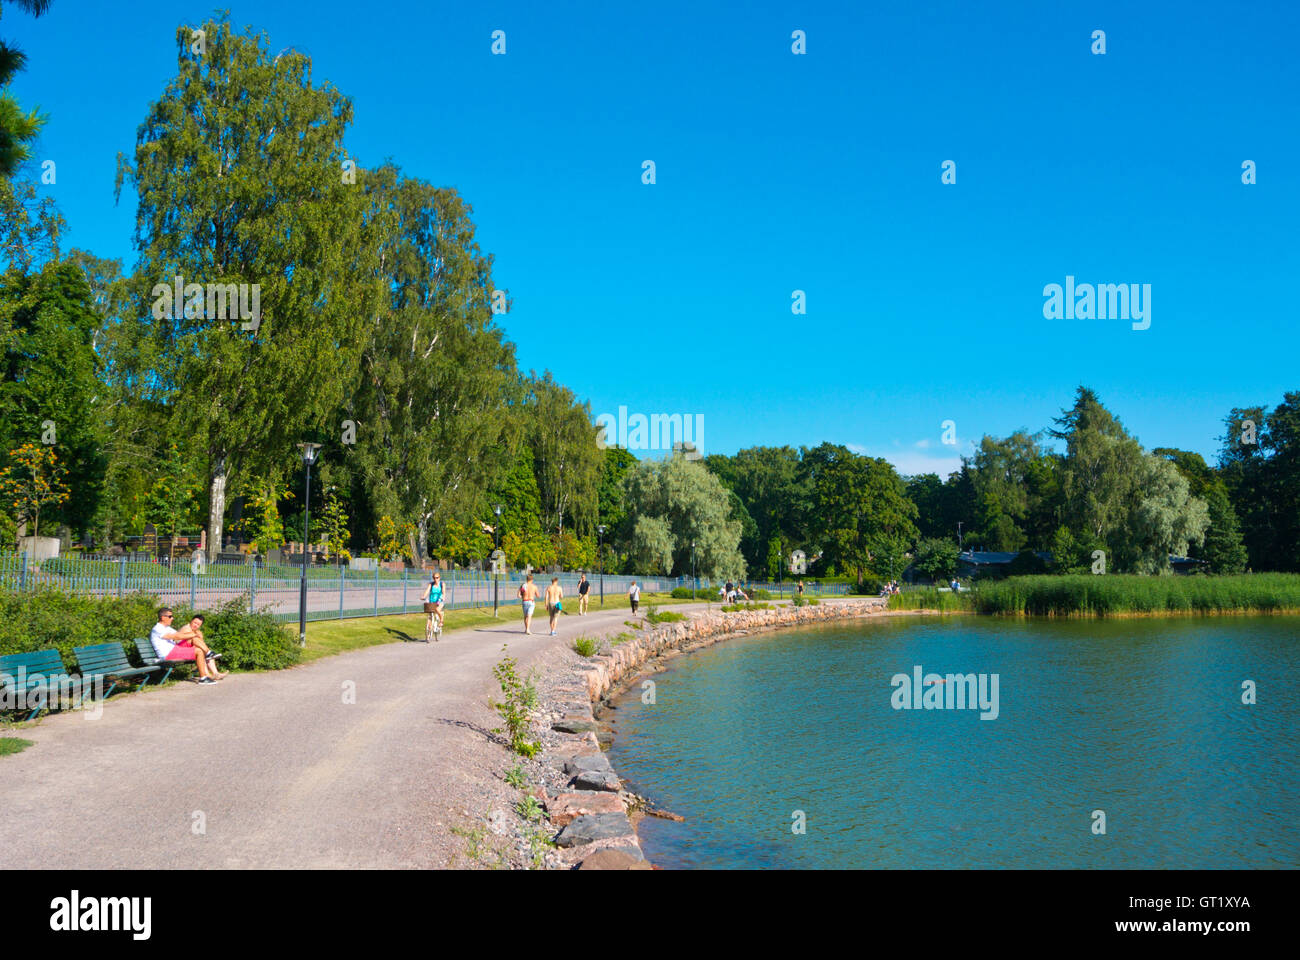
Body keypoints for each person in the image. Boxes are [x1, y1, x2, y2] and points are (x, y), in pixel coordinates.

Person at [149, 608, 225, 683]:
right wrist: (194, 634)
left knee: (194, 640)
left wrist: (194, 634)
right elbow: (176, 637)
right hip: (168, 654)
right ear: (163, 617)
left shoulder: (166, 628)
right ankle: (203, 678)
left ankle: (208, 654)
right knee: (198, 651)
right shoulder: (157, 629)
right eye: (170, 616)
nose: (172, 618)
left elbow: (180, 634)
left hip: (174, 650)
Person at [420, 570, 445, 641]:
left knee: (437, 610)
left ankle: (441, 620)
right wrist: (424, 596)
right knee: (430, 616)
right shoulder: (431, 584)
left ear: (439, 578)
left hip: (439, 601)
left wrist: (442, 598)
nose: (435, 579)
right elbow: (427, 591)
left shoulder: (442, 584)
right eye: (434, 578)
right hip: (432, 602)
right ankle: (428, 632)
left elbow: (443, 592)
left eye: (437, 578)